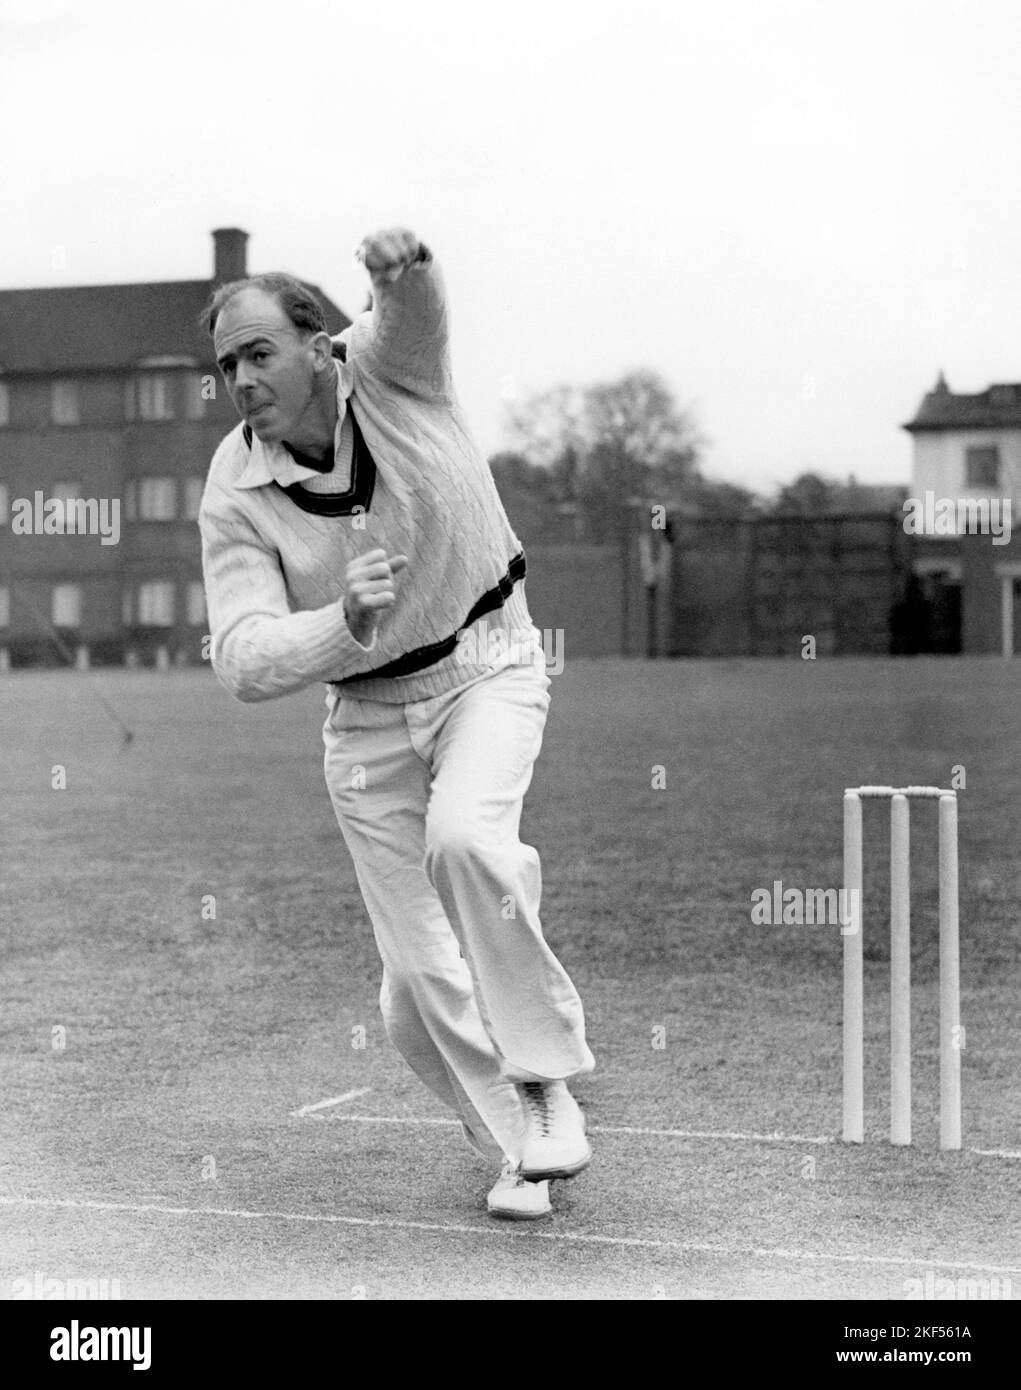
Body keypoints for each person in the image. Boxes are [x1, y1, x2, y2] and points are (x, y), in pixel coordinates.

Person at [198, 227, 595, 1220]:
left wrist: (401, 273)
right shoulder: (234, 484)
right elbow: (240, 655)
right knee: (413, 990)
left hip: (486, 663)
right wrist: (342, 622)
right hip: (365, 716)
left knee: (464, 840)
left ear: (319, 345)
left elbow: (416, 315)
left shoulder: (389, 368)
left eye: (259, 353)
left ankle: (544, 1079)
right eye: (227, 366)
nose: (242, 380)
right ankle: (516, 1149)